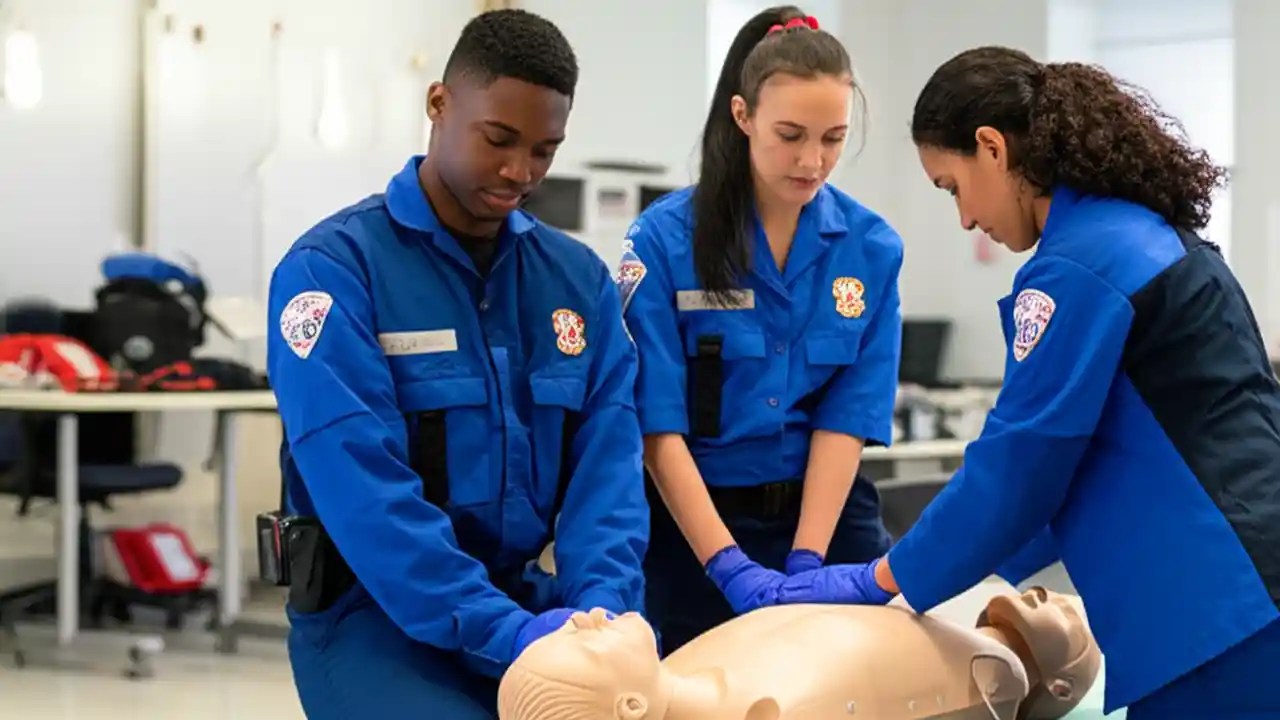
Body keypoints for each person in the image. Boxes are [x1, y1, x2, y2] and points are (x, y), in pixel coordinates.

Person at [811, 46, 1280, 719]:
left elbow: (1019, 467)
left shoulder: (1078, 266)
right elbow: (1081, 464)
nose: (965, 218)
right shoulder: (1144, 235)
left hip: (1216, 607)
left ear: (992, 149)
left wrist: (881, 577)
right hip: (1244, 591)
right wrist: (979, 579)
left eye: (952, 187)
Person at [266, 10, 648, 719]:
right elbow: (364, 492)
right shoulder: (333, 273)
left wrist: (602, 621)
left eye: (544, 150)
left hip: (529, 605)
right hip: (374, 618)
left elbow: (609, 477)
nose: (519, 173)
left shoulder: (577, 284)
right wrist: (508, 635)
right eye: (498, 140)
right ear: (439, 104)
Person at [620, 5, 904, 655]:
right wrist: (729, 567)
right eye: (790, 134)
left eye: (833, 138)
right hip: (698, 523)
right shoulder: (663, 241)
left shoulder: (872, 248)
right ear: (743, 117)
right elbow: (656, 424)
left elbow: (845, 418)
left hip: (825, 512)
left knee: (876, 675)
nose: (812, 160)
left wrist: (808, 558)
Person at [495, 587, 1101, 720]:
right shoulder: (783, 708)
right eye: (582, 646)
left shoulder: (681, 670)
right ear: (630, 705)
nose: (580, 617)